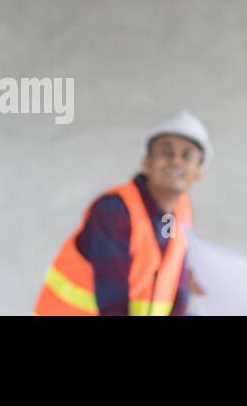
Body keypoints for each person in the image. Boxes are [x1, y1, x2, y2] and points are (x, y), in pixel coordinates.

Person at [34, 111, 210, 316]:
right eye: (166, 152)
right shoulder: (115, 210)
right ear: (146, 163)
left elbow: (174, 275)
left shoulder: (175, 214)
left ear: (198, 173)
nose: (176, 161)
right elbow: (113, 299)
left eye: (187, 155)